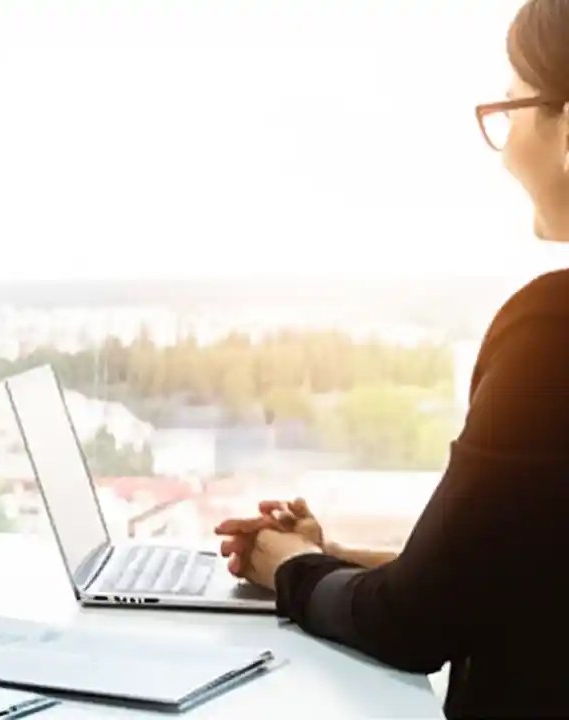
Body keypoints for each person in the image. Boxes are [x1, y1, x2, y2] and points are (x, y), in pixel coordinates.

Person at [214, 1, 569, 716]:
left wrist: (290, 569)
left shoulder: (551, 334)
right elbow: (496, 578)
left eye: (511, 109)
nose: (503, 149)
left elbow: (415, 623)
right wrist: (325, 555)